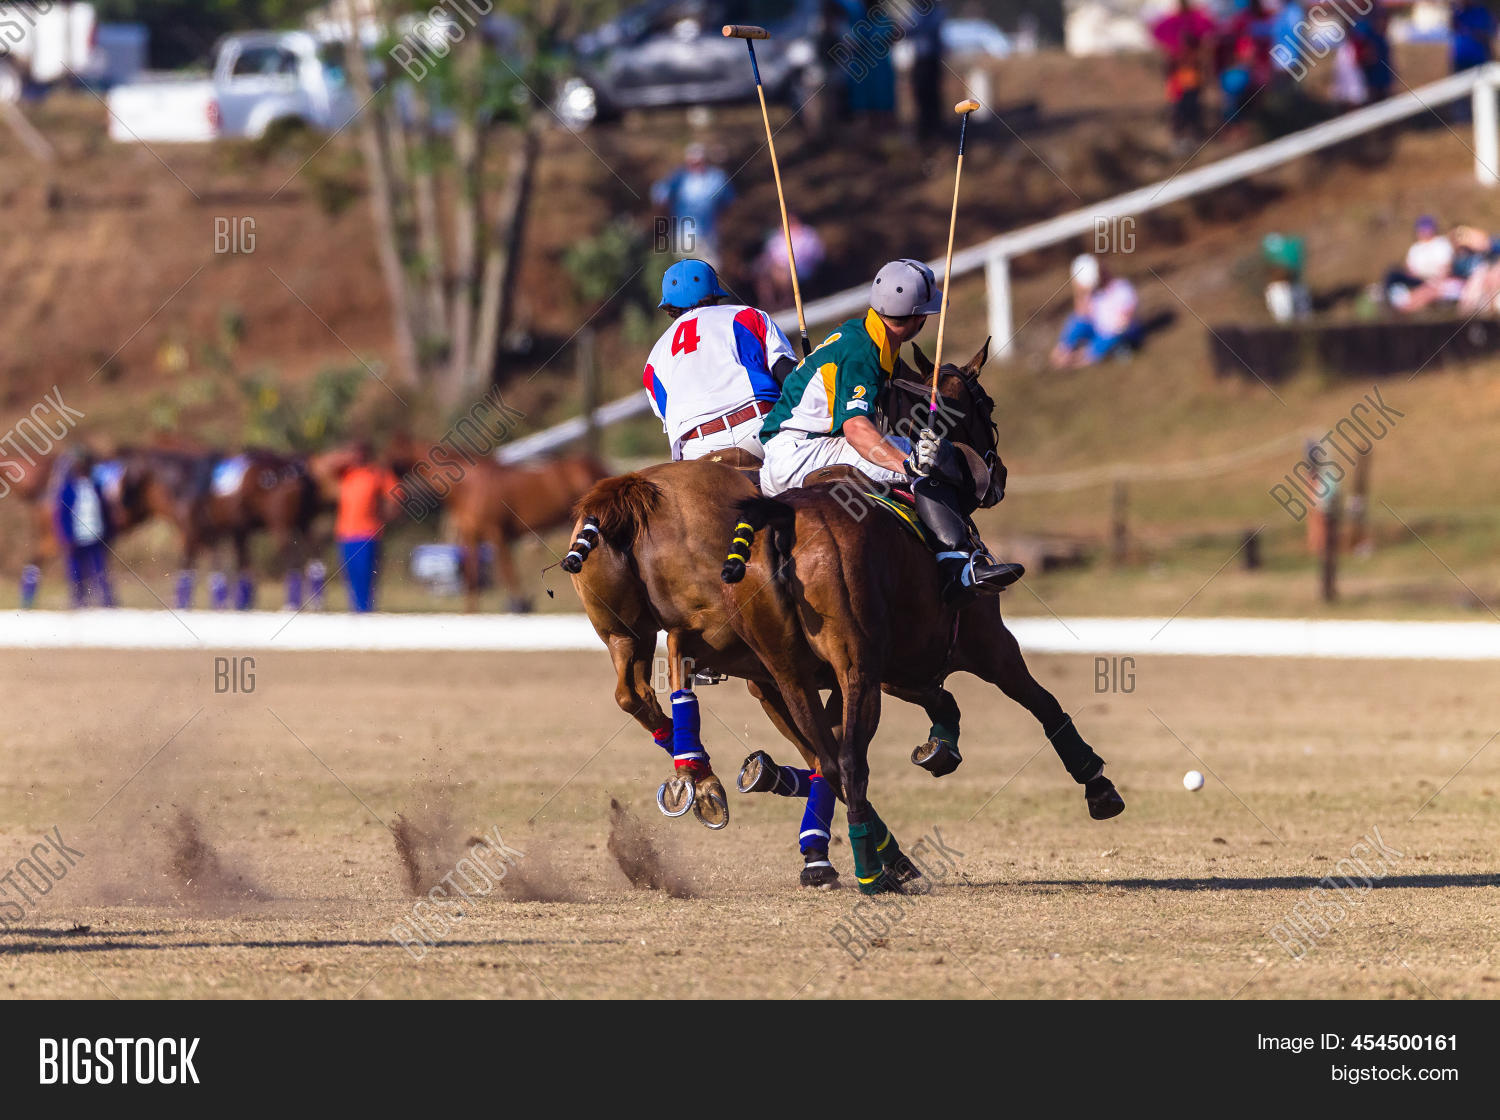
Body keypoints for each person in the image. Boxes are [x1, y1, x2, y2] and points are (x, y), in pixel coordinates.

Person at [759, 257, 1025, 600]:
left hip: (792, 450)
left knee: (917, 452)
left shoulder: (865, 335)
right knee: (926, 460)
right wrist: (907, 464)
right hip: (802, 454)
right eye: (926, 314)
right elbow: (856, 428)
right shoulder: (863, 351)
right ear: (915, 318)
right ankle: (958, 565)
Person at [644, 259, 798, 464]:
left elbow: (670, 418)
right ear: (714, 292)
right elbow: (788, 377)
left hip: (698, 451)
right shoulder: (747, 316)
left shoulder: (653, 359)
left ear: (668, 306)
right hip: (758, 430)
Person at [335, 442, 399, 612]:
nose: (356, 457)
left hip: (367, 534)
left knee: (365, 577)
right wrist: (344, 457)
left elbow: (396, 496)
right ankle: (355, 612)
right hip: (345, 534)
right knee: (350, 577)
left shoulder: (377, 473)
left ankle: (366, 613)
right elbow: (321, 468)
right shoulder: (346, 473)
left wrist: (385, 517)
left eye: (359, 453)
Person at [651, 144, 735, 267]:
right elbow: (659, 195)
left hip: (708, 235)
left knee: (711, 271)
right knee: (685, 272)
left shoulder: (717, 177)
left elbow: (729, 202)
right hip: (684, 235)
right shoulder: (678, 177)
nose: (696, 165)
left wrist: (720, 220)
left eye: (699, 161)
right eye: (692, 162)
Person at [51, 448, 116, 609]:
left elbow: (105, 511)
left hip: (96, 534)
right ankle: (79, 601)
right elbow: (63, 514)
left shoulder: (95, 486)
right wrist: (66, 536)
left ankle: (106, 601)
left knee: (100, 569)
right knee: (76, 571)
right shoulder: (68, 488)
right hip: (76, 536)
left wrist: (109, 532)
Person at [1051, 254, 1141, 367]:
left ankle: (1075, 360)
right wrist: (1078, 288)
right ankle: (1062, 351)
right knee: (1076, 320)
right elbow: (1081, 313)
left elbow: (1126, 318)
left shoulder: (1122, 287)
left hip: (1118, 333)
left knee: (1111, 335)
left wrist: (1115, 328)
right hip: (1099, 331)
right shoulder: (1095, 292)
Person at [752, 214, 826, 312]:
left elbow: (816, 254)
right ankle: (768, 304)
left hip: (800, 268)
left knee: (782, 272)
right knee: (764, 274)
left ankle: (788, 301)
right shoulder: (776, 239)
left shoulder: (807, 235)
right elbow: (769, 256)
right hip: (776, 270)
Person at [1385, 216, 1460, 312]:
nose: (1424, 232)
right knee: (1394, 276)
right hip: (1420, 282)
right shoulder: (1415, 248)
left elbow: (1446, 269)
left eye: (1427, 229)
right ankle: (1402, 306)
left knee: (1428, 293)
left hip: (1440, 282)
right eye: (1422, 229)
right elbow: (1410, 271)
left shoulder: (1441, 244)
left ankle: (1407, 308)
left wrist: (1434, 283)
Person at [907, 0, 946, 137]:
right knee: (921, 94)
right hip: (920, 60)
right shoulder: (917, 10)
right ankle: (924, 127)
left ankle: (934, 127)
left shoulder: (935, 11)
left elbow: (921, 27)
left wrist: (904, 30)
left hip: (931, 60)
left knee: (931, 95)